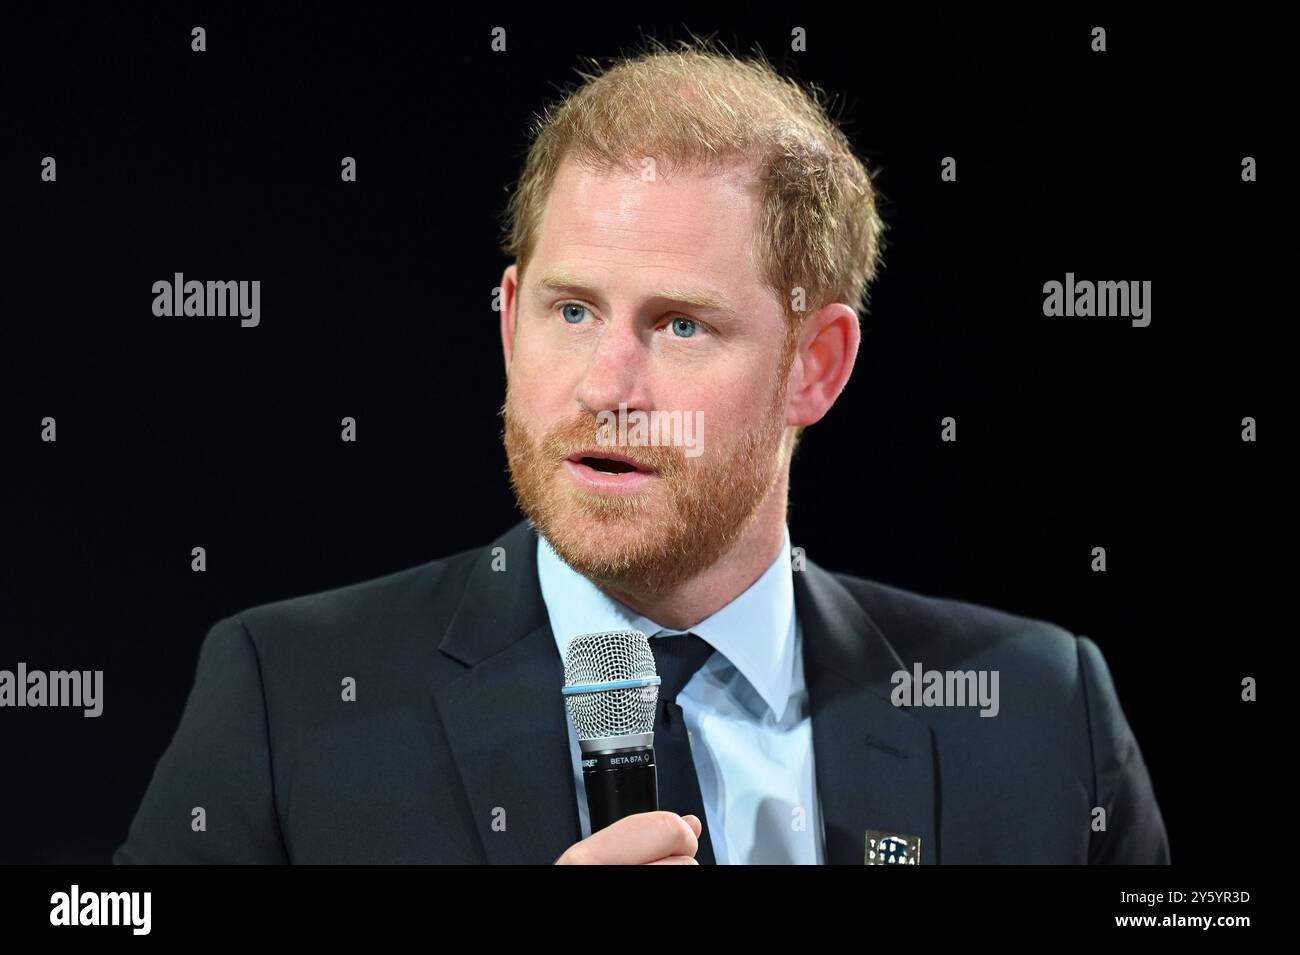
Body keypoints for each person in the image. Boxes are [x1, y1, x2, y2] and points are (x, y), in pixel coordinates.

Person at [114, 39, 1169, 865]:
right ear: (508, 316)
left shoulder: (1037, 709)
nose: (605, 388)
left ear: (815, 364)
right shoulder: (287, 694)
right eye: (572, 312)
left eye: (679, 326)